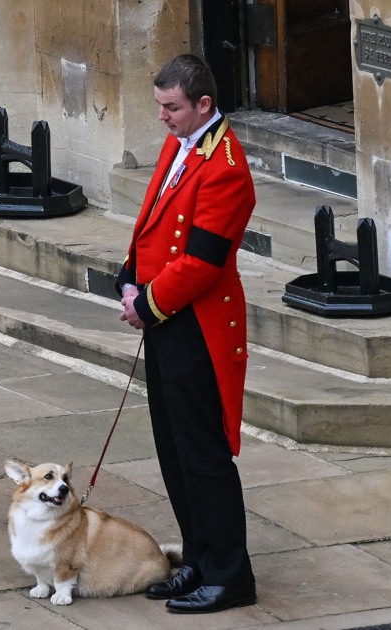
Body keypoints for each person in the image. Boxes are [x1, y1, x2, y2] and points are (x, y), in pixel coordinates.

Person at [116, 54, 257, 614]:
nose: (162, 118)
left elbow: (201, 262)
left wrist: (145, 305)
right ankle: (198, 558)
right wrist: (130, 278)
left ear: (203, 104)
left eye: (171, 107)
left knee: (203, 454)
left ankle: (230, 574)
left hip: (196, 326)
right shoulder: (181, 144)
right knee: (173, 450)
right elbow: (151, 222)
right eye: (159, 106)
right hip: (166, 319)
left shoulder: (225, 164)